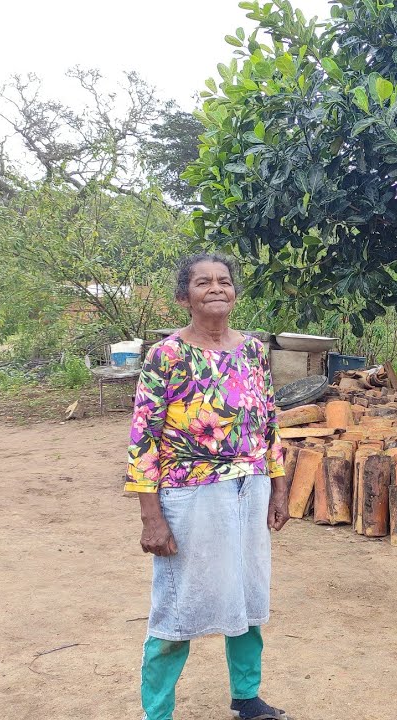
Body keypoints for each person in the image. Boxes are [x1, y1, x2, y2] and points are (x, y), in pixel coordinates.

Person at [126, 253, 290, 720]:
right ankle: (156, 713)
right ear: (185, 297)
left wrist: (278, 488)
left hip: (251, 488)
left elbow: (268, 423)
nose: (216, 288)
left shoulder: (254, 350)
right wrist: (151, 516)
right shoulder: (167, 355)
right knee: (178, 606)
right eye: (203, 282)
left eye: (224, 280)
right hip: (190, 495)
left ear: (235, 292)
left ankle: (246, 696)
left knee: (248, 593)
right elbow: (143, 438)